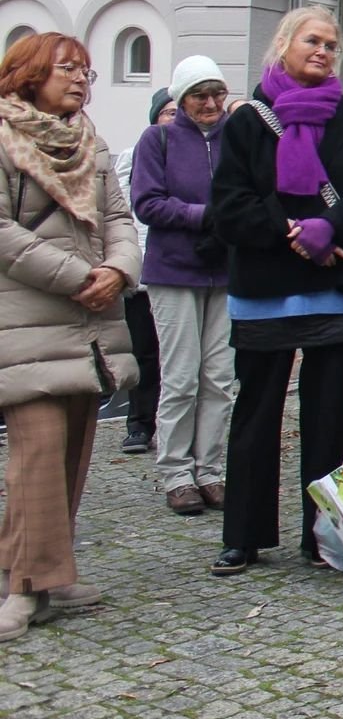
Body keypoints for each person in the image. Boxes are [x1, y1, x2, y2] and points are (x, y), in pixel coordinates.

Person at [207, 8, 343, 576]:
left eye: (332, 45)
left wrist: (331, 230)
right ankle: (245, 535)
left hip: (329, 285)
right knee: (257, 414)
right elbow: (229, 202)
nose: (323, 51)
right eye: (313, 41)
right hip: (265, 285)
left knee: (328, 416)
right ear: (284, 45)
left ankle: (325, 533)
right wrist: (291, 232)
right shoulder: (246, 123)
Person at [0, 33, 140, 639]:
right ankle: (24, 588)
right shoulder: (4, 136)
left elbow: (118, 218)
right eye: (67, 69)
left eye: (86, 71)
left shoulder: (91, 142)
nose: (81, 80)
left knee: (72, 451)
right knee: (35, 451)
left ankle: (48, 572)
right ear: (30, 75)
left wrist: (118, 270)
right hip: (27, 319)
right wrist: (79, 276)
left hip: (89, 324)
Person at [129, 57, 233, 516]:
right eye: (199, 96)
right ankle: (176, 472)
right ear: (181, 99)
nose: (210, 104)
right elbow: (146, 203)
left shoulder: (236, 136)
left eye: (216, 94)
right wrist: (201, 215)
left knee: (220, 378)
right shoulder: (159, 138)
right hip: (173, 271)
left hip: (226, 271)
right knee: (181, 375)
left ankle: (209, 469)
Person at [113, 87, 172, 458]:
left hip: (176, 269)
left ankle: (173, 429)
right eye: (166, 112)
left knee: (177, 359)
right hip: (142, 270)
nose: (173, 118)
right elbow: (122, 214)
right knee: (143, 353)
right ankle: (138, 424)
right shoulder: (133, 157)